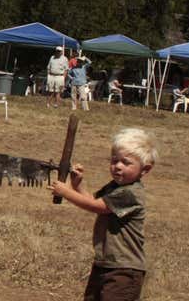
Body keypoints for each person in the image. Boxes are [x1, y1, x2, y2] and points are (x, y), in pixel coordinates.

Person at [50, 128, 158, 301]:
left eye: (126, 162)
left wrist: (66, 192)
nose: (118, 166)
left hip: (124, 270)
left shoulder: (131, 193)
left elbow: (97, 207)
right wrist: (77, 185)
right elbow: (93, 200)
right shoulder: (115, 187)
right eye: (114, 160)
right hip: (106, 264)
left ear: (145, 169)